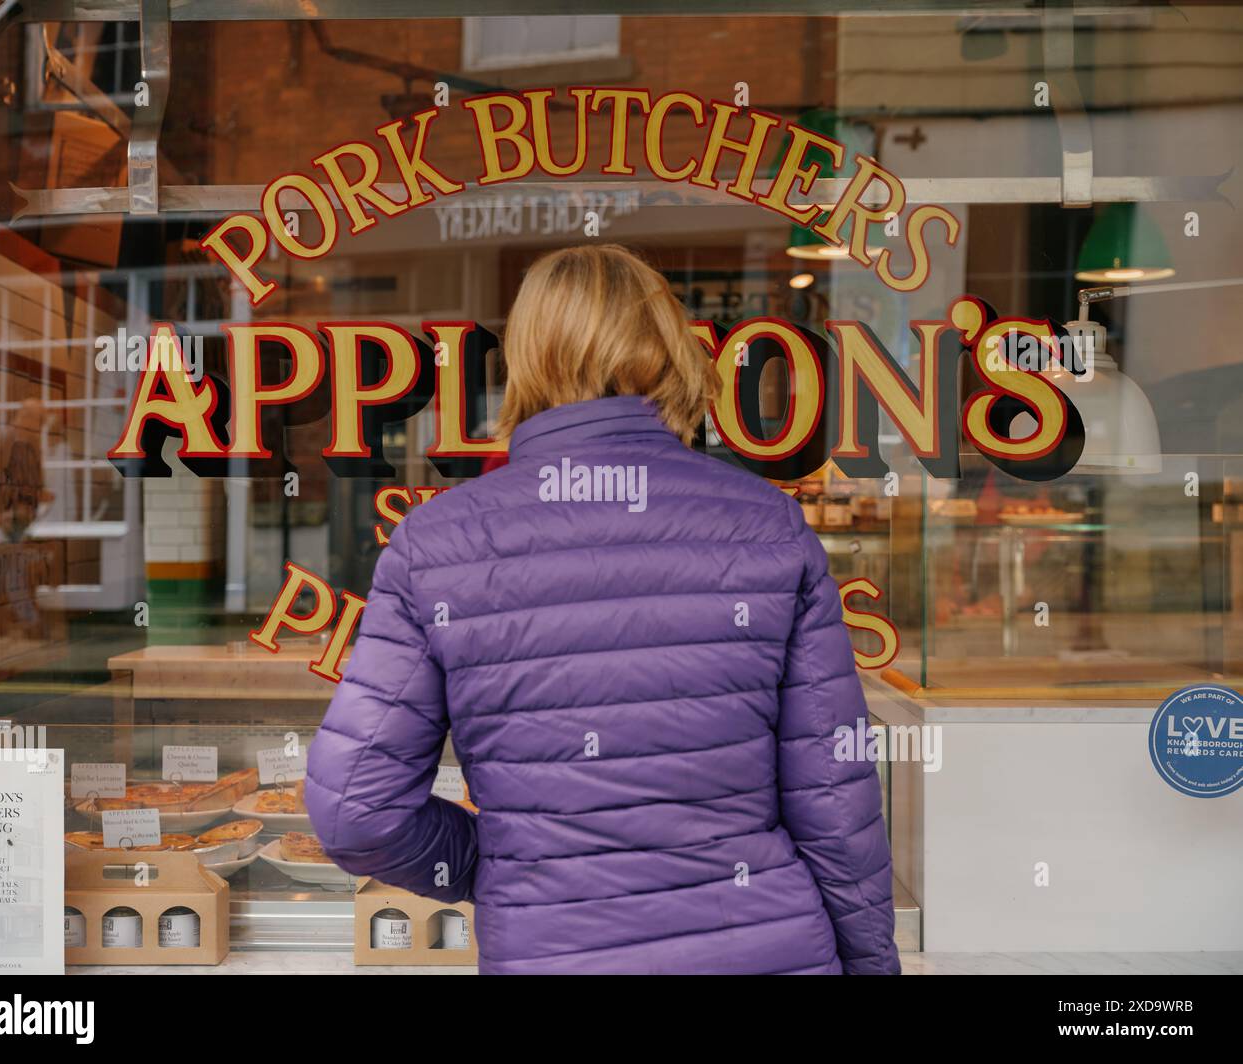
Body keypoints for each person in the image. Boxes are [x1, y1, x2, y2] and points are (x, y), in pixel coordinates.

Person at [306, 244, 900, 975]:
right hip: (765, 943)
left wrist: (501, 868)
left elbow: (355, 813)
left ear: (525, 358)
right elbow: (836, 806)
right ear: (669, 352)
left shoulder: (436, 546)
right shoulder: (767, 526)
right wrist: (873, 964)